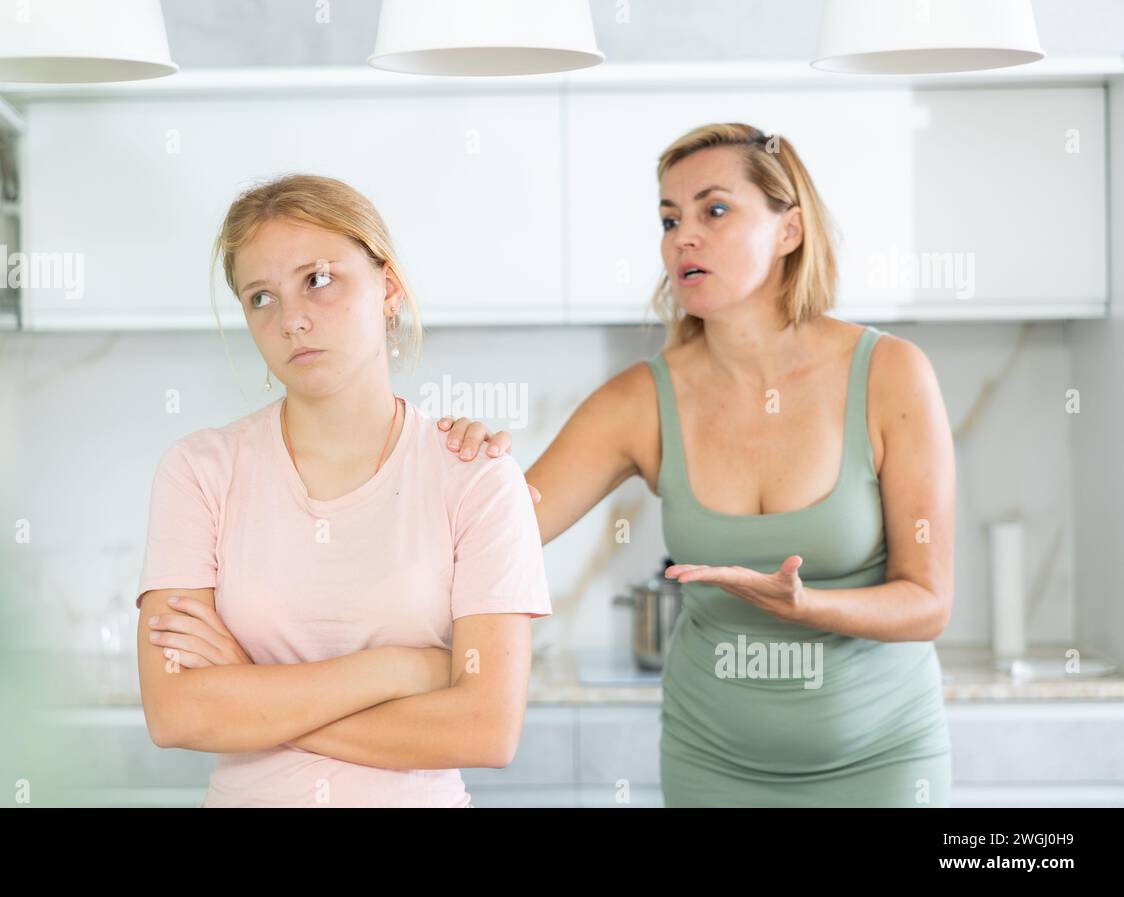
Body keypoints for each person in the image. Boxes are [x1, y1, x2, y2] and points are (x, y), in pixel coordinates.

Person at [435, 123, 955, 807]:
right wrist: (469, 469)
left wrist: (807, 605)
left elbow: (928, 600)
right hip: (712, 765)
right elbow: (497, 533)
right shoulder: (643, 400)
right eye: (669, 217)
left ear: (790, 229)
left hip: (881, 761)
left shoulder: (891, 374)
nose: (683, 236)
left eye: (714, 210)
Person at [133, 174, 551, 807]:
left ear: (388, 288)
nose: (292, 320)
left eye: (318, 280)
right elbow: (177, 714)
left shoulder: (477, 474)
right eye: (261, 297)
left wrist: (248, 690)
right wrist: (402, 670)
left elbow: (486, 728)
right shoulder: (198, 470)